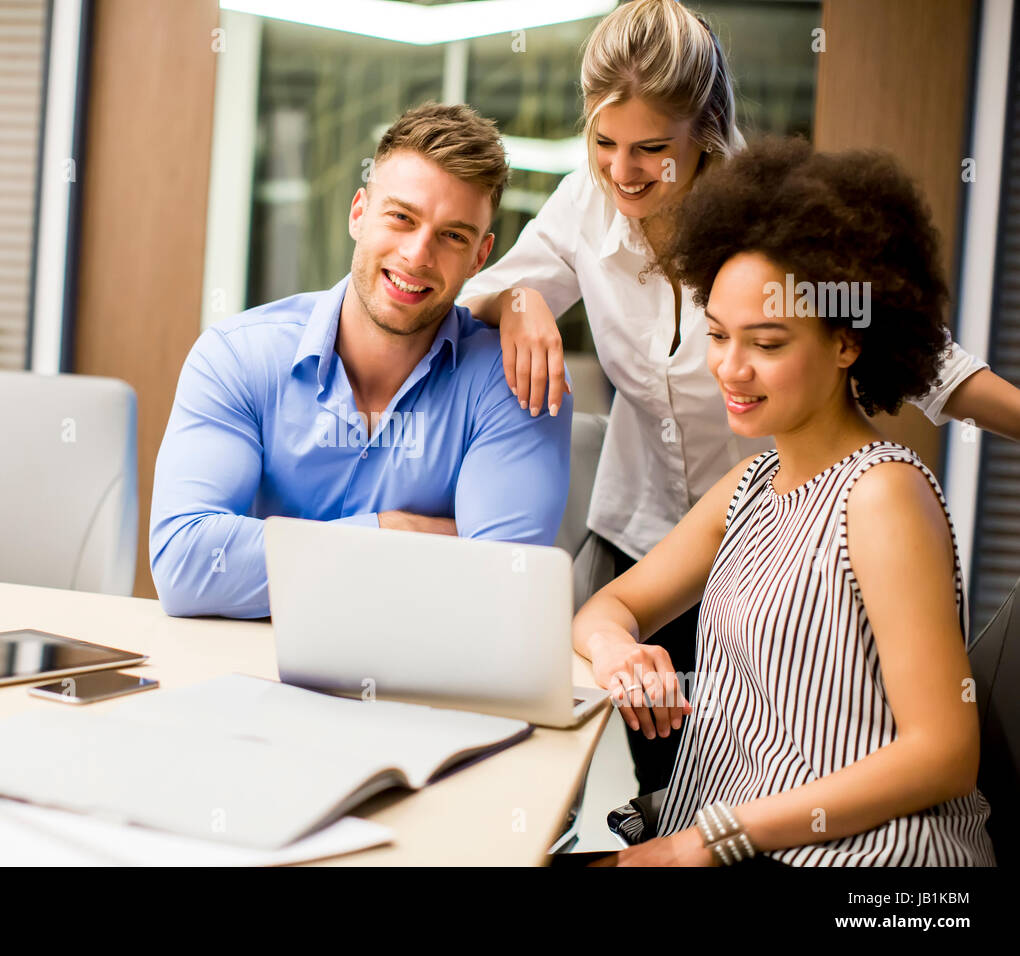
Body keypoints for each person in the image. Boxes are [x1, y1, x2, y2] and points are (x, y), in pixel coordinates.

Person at [461, 0, 1020, 793]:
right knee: (623, 767)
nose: (623, 172)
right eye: (604, 144)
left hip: (780, 551)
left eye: (653, 150)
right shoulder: (587, 204)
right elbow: (485, 292)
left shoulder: (772, 229)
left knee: (765, 755)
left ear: (707, 134)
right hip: (650, 535)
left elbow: (928, 362)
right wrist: (517, 299)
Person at [575, 137, 995, 867]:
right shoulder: (750, 489)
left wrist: (712, 839)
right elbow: (605, 609)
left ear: (846, 344)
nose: (730, 369)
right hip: (756, 840)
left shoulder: (881, 495)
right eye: (717, 335)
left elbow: (946, 753)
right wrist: (622, 653)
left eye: (766, 343)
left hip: (876, 864)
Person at [150, 103, 573, 618]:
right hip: (250, 675)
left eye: (452, 236)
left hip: (419, 684)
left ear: (480, 257)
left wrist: (284, 560)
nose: (418, 255)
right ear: (359, 213)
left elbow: (501, 594)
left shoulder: (513, 382)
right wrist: (394, 530)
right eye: (401, 217)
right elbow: (186, 565)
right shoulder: (238, 357)